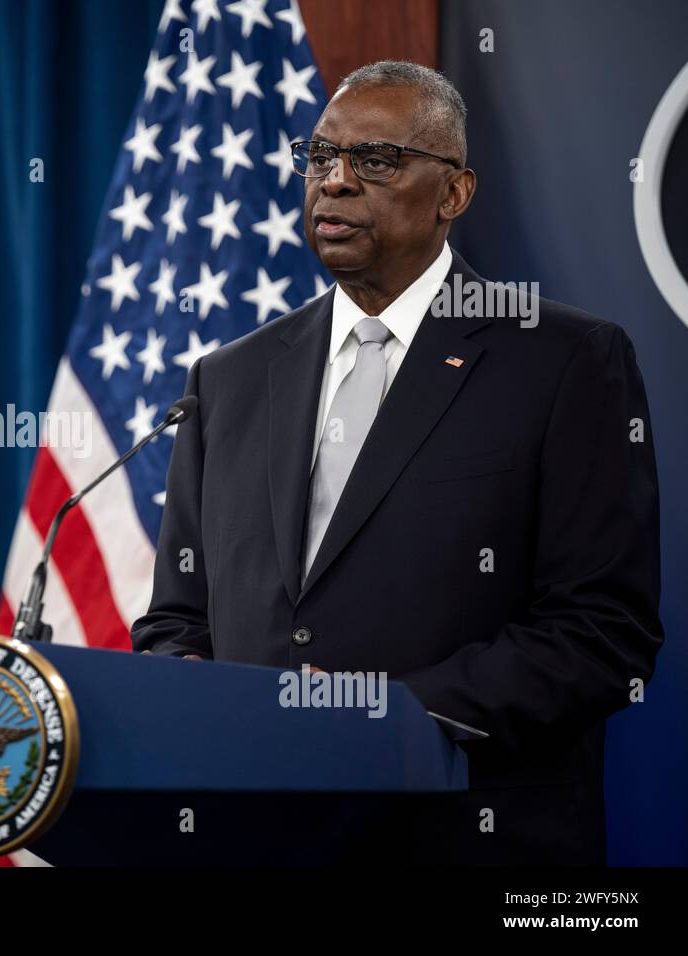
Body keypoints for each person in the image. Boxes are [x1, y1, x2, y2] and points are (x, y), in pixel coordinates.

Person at [130, 61, 663, 865]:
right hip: (259, 838)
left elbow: (602, 632)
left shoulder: (564, 361)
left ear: (454, 193)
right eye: (319, 157)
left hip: (466, 837)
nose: (335, 184)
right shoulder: (229, 377)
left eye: (376, 160)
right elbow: (176, 617)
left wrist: (376, 719)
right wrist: (207, 702)